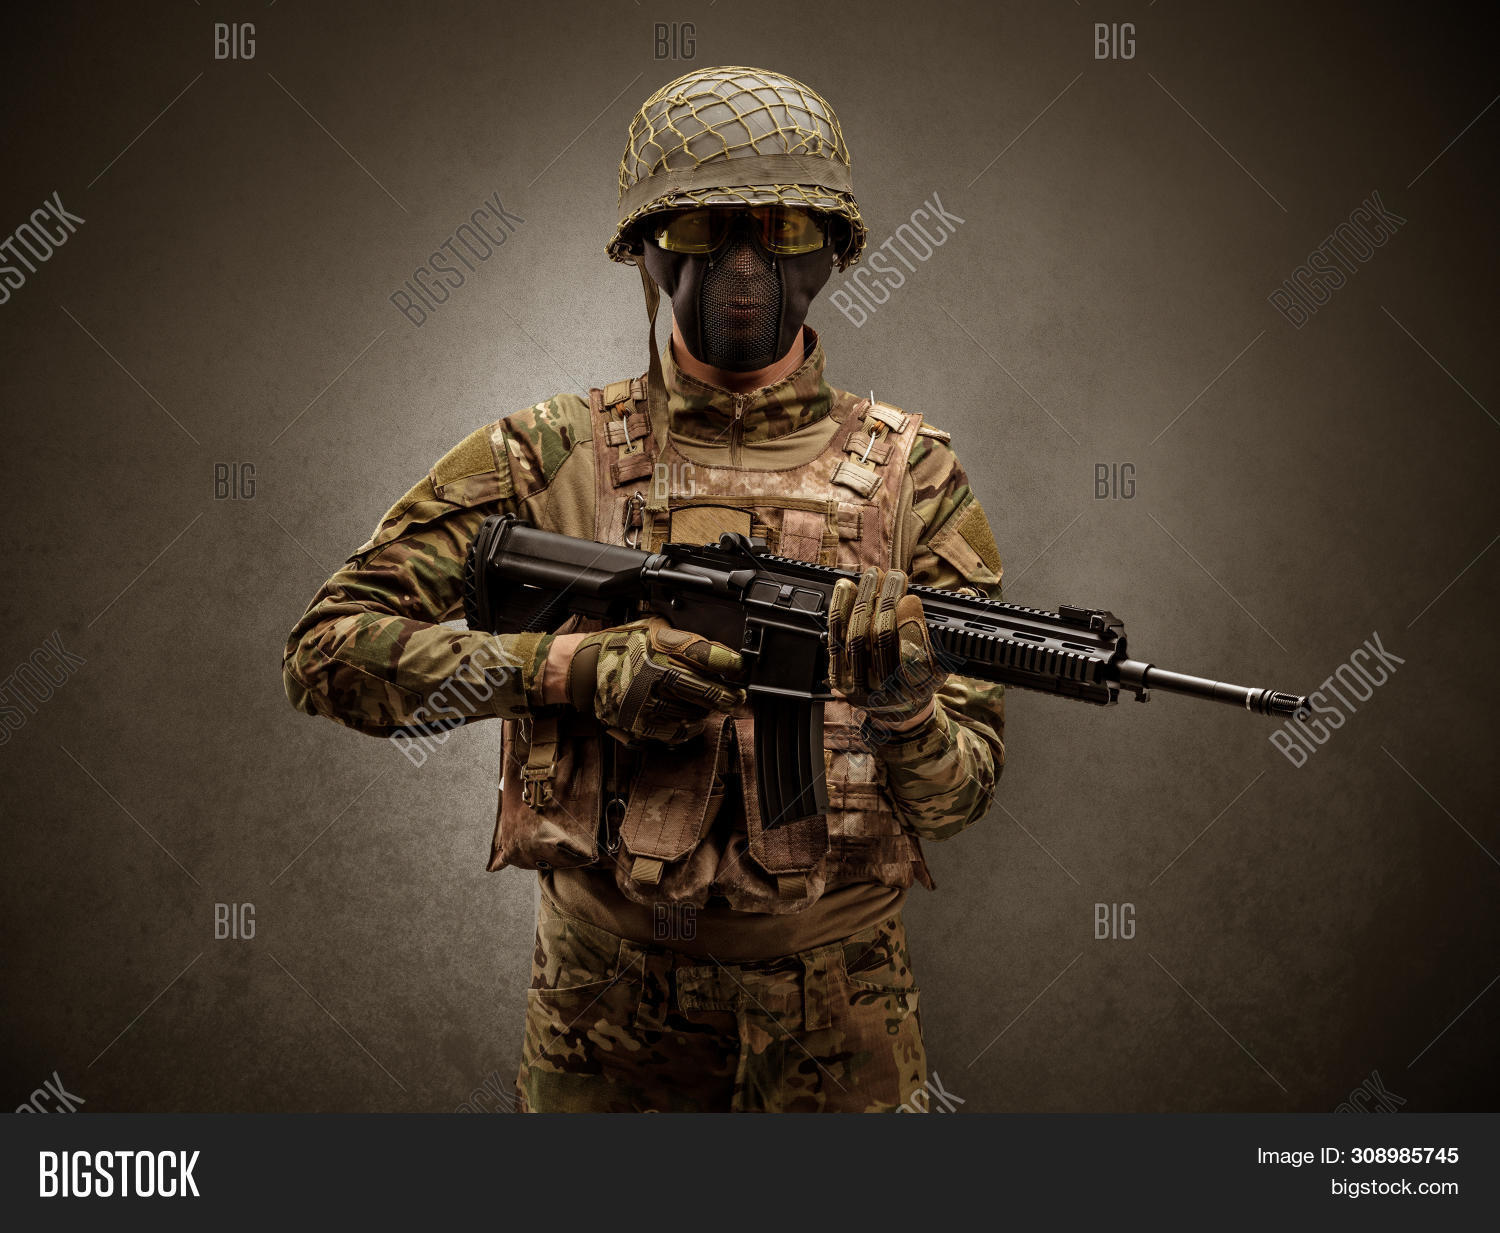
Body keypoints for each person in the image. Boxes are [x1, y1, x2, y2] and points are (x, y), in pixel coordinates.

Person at [283, 65, 1007, 1112]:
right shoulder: (544, 455)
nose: (750, 264)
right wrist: (573, 669)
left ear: (835, 254)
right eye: (712, 230)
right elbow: (325, 651)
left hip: (840, 1001)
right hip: (603, 1001)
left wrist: (904, 711)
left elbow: (960, 797)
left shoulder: (914, 473)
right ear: (648, 250)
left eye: (787, 229)